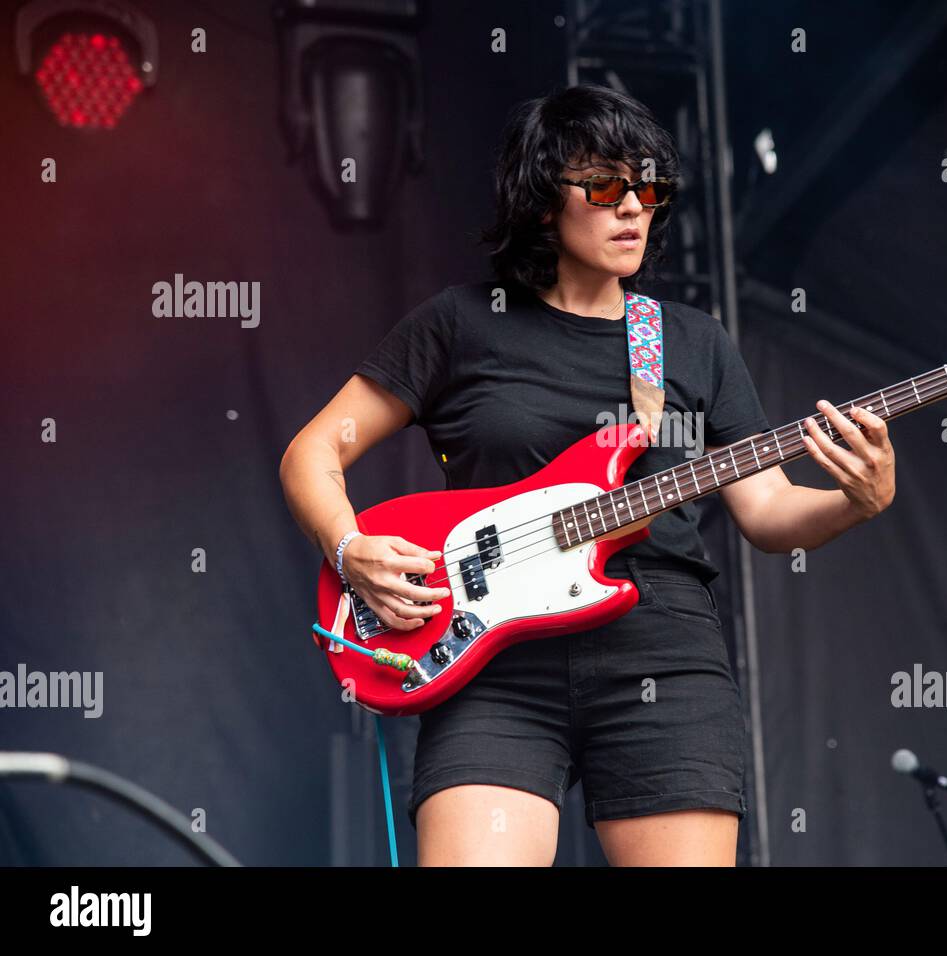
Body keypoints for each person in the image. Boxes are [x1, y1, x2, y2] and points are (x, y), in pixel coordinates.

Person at [279, 84, 896, 866]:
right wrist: (348, 548)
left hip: (662, 656)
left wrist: (857, 501)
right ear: (542, 202)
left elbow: (768, 510)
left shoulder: (690, 341)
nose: (633, 206)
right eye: (605, 187)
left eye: (649, 187)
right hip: (486, 662)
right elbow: (311, 453)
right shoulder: (461, 323)